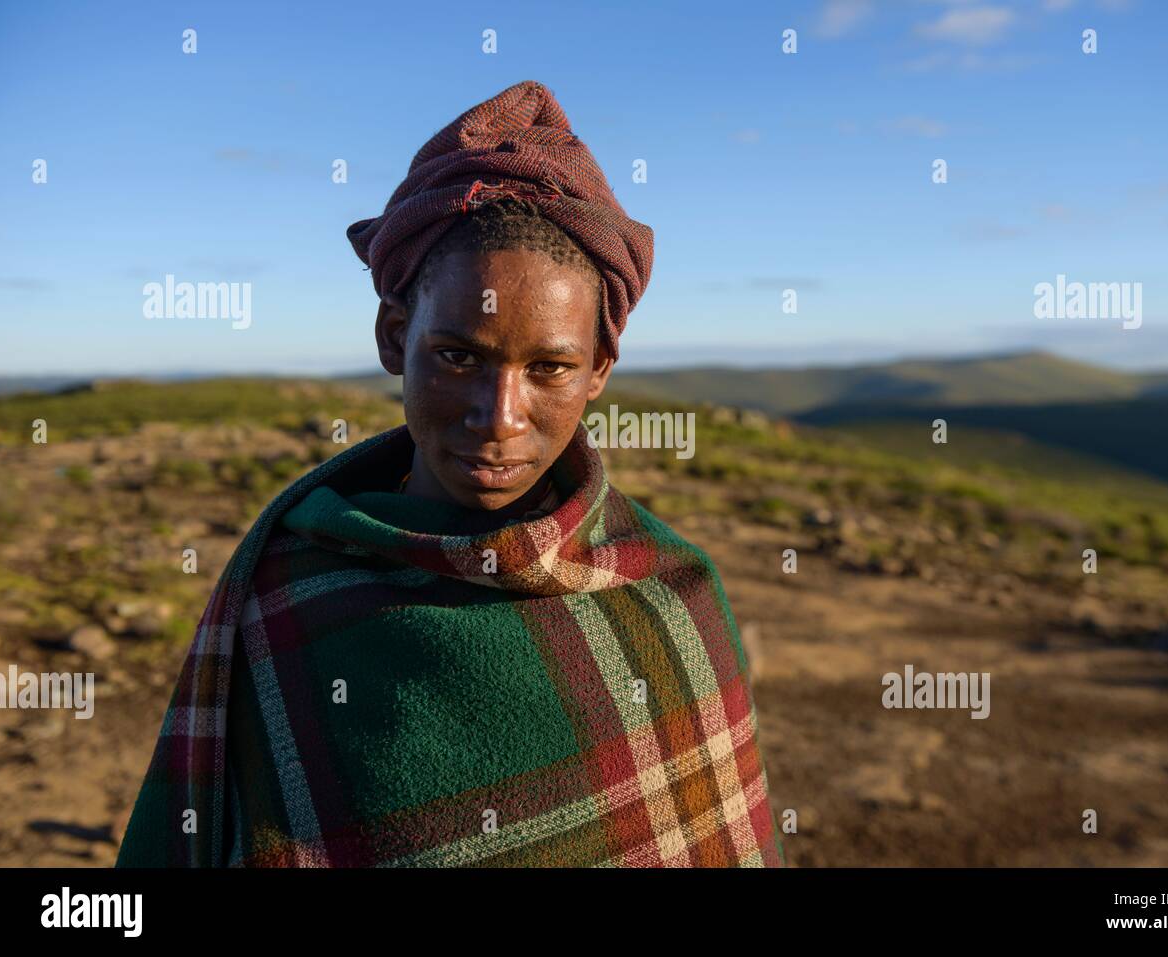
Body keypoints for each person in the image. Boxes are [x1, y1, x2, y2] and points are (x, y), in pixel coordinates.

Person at [116, 80, 784, 867]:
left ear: (599, 368)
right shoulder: (290, 589)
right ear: (395, 337)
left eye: (550, 367)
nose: (498, 416)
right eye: (459, 356)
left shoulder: (670, 598)